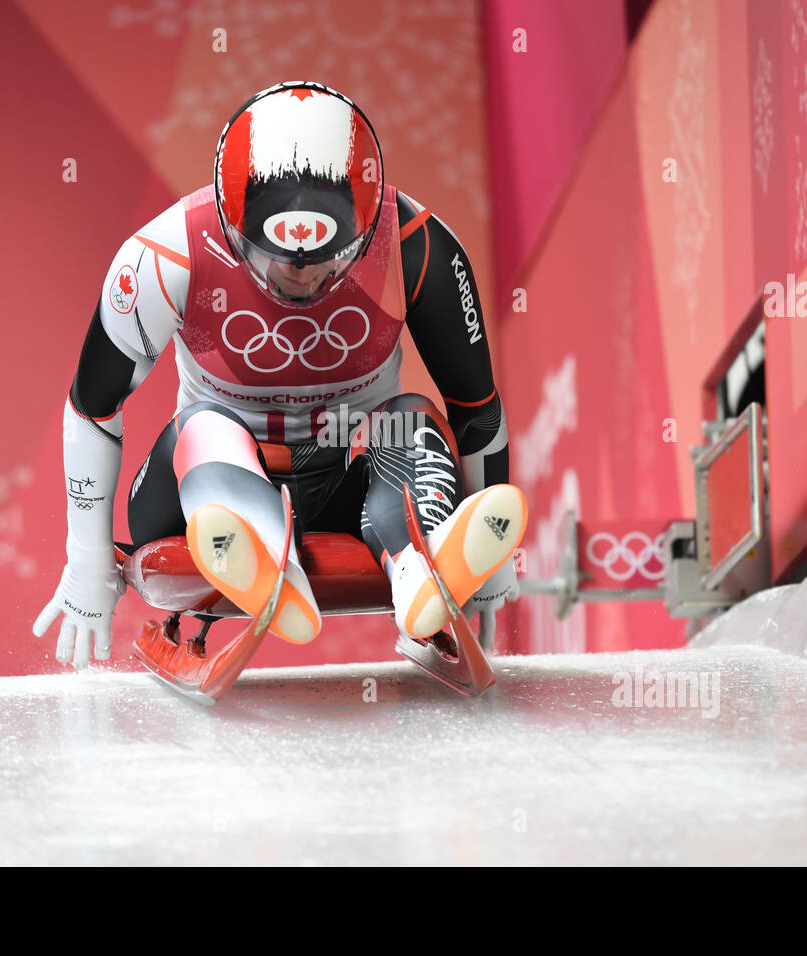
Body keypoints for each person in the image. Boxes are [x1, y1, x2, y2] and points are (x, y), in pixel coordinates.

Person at [34, 81, 526, 669]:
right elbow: (93, 406)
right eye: (276, 261)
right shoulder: (164, 256)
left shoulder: (417, 245)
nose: (301, 280)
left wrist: (490, 562)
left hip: (357, 474)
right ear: (229, 222)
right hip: (206, 483)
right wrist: (86, 558)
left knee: (410, 416)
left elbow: (475, 405)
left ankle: (420, 567)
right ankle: (264, 550)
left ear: (366, 233)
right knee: (204, 424)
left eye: (330, 262)